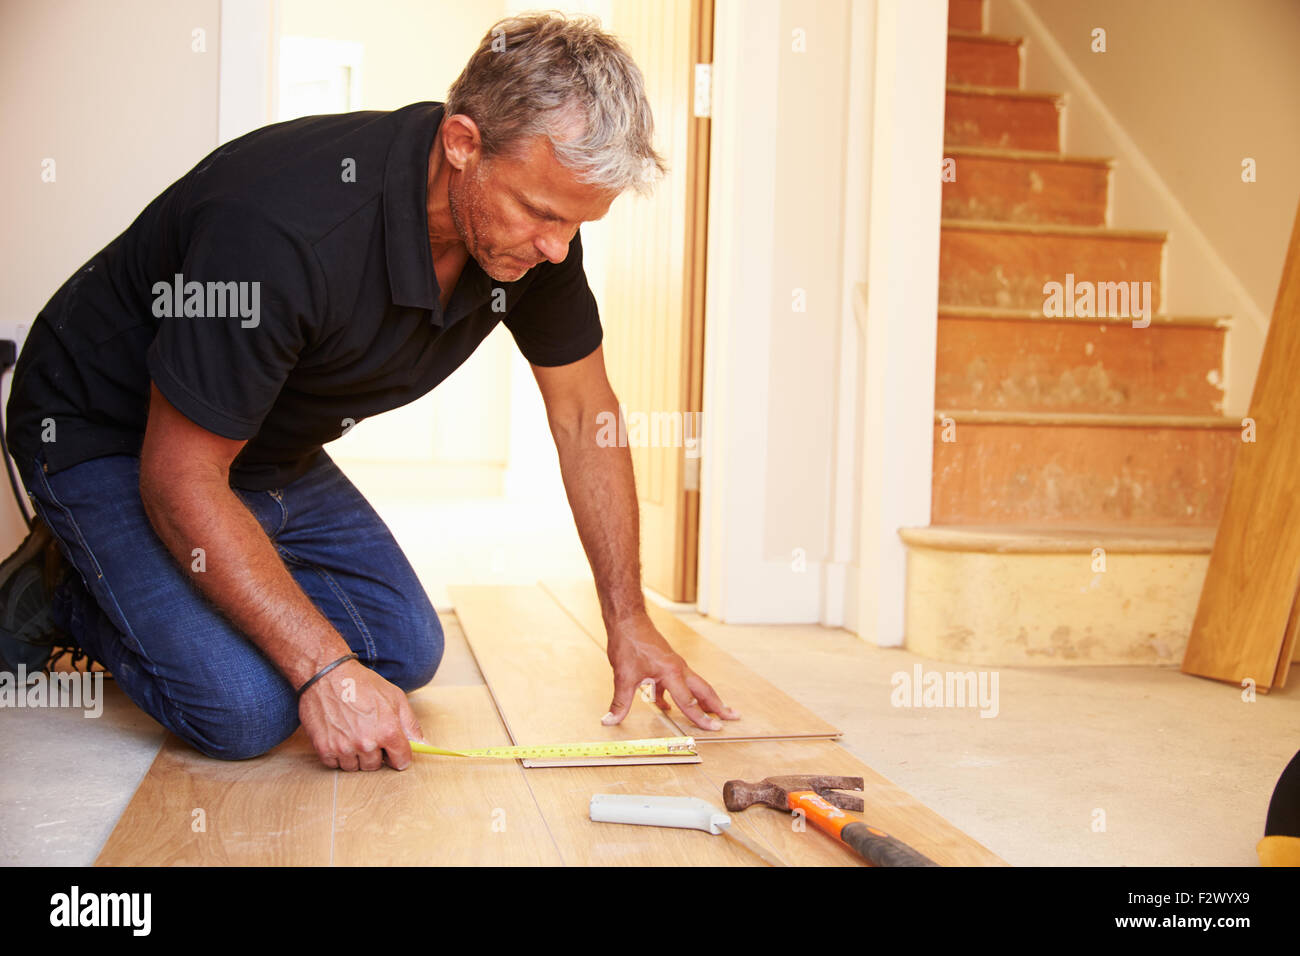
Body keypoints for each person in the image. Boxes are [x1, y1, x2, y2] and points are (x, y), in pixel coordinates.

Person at [0, 11, 735, 772]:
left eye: (575, 224)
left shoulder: (537, 239)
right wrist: (320, 668)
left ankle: (204, 558)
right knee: (244, 709)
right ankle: (67, 583)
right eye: (542, 214)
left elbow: (586, 416)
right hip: (108, 434)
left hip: (262, 442)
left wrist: (629, 619)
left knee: (406, 646)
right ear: (462, 145)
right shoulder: (281, 231)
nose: (557, 248)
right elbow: (178, 475)